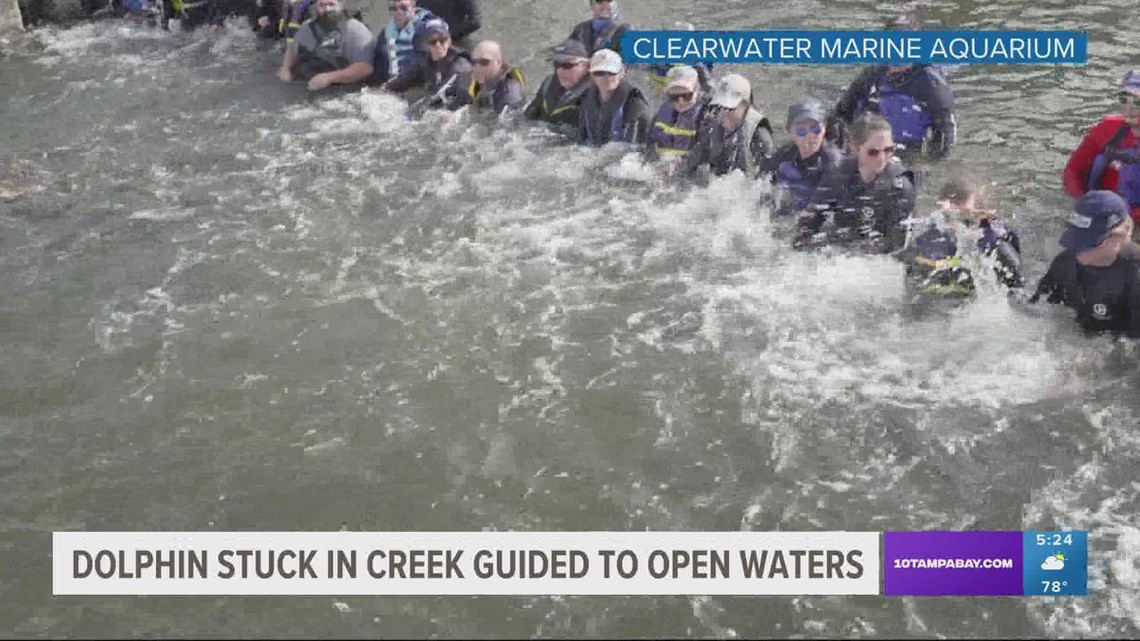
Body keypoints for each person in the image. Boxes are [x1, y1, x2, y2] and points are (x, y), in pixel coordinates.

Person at [796, 113, 916, 254]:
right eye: (873, 152)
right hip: (841, 243)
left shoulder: (900, 187)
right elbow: (806, 227)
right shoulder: (838, 175)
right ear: (854, 147)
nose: (882, 158)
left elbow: (897, 246)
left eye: (888, 150)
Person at [1030, 191, 1140, 337]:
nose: (1080, 250)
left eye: (1090, 242)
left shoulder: (1134, 273)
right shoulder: (1065, 262)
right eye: (1076, 240)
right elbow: (1036, 310)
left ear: (1123, 232)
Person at [895, 176, 1025, 300]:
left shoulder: (998, 242)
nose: (951, 207)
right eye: (949, 201)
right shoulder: (928, 239)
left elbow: (1016, 288)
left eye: (959, 202)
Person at [830, 44, 956, 160]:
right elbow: (840, 114)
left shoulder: (932, 85)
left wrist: (931, 163)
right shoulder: (871, 76)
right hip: (868, 151)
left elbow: (946, 137)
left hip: (907, 155)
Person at [1062, 70, 1140, 227]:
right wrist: (1082, 200)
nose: (1128, 108)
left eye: (1137, 102)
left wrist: (1126, 218)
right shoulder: (1106, 129)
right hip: (1099, 211)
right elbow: (1073, 170)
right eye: (1124, 100)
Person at [763, 96, 841, 217]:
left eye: (815, 128)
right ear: (791, 132)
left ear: (824, 127)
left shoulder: (832, 162)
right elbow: (760, 186)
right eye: (801, 131)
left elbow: (818, 211)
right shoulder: (785, 155)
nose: (809, 136)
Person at [683, 74, 774, 177]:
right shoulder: (711, 128)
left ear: (746, 105)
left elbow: (769, 178)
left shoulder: (760, 135)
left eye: (731, 109)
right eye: (721, 107)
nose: (724, 114)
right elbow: (691, 166)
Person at [277, 0, 374, 90]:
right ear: (316, 7)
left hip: (343, 90)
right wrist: (286, 68)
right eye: (322, 5)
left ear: (341, 5)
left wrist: (329, 78)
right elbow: (293, 50)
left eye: (331, 4)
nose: (327, 9)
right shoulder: (308, 27)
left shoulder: (355, 29)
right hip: (308, 85)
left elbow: (365, 68)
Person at [383, 17, 473, 112]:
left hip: (461, 108)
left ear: (449, 41)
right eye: (433, 42)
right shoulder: (426, 61)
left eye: (442, 40)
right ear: (427, 44)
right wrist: (384, 93)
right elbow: (403, 80)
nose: (438, 45)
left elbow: (452, 97)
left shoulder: (460, 66)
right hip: (438, 105)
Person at [578, 49, 651, 146]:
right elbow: (582, 139)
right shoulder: (586, 99)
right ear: (591, 75)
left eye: (612, 72)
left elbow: (635, 148)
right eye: (599, 73)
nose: (606, 77)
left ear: (622, 71)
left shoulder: (635, 105)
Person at [523, 39, 593, 132]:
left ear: (587, 66)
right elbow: (527, 118)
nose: (560, 71)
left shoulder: (595, 94)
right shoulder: (548, 85)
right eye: (556, 64)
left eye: (567, 65)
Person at [646, 65, 710, 160]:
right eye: (674, 97)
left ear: (697, 91)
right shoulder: (661, 114)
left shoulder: (707, 116)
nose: (681, 102)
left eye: (687, 96)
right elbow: (649, 147)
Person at [370, 0, 435, 84]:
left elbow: (427, 63)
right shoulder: (386, 33)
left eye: (404, 8)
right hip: (389, 85)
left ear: (413, 7)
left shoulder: (428, 27)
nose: (399, 12)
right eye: (394, 9)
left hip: (420, 84)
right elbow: (379, 65)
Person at [466, 40, 525, 115]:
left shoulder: (509, 96)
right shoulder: (481, 81)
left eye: (484, 62)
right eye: (474, 62)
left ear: (499, 63)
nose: (477, 67)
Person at [160, 0, 225, 30]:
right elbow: (167, 8)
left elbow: (219, 4)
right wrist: (165, 23)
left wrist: (215, 22)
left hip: (208, 21)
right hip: (187, 23)